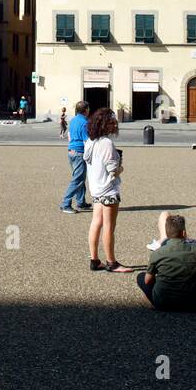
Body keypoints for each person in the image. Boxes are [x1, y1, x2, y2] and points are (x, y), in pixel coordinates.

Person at [84, 108, 131, 272]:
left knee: (96, 223)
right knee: (109, 227)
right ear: (105, 124)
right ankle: (112, 262)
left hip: (96, 188)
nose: (114, 126)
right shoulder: (106, 143)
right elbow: (113, 170)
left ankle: (94, 259)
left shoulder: (90, 141)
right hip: (108, 189)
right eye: (111, 123)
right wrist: (121, 168)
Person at [137, 214, 196, 312]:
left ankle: (155, 298)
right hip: (191, 301)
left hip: (163, 302)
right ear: (184, 233)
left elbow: (148, 280)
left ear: (166, 233)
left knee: (141, 277)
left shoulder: (157, 253)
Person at [59, 101, 91, 213]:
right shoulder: (85, 122)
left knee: (80, 177)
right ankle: (65, 204)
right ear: (86, 110)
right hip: (79, 152)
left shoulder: (73, 120)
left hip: (71, 151)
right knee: (78, 179)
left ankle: (81, 202)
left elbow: (69, 135)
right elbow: (87, 140)